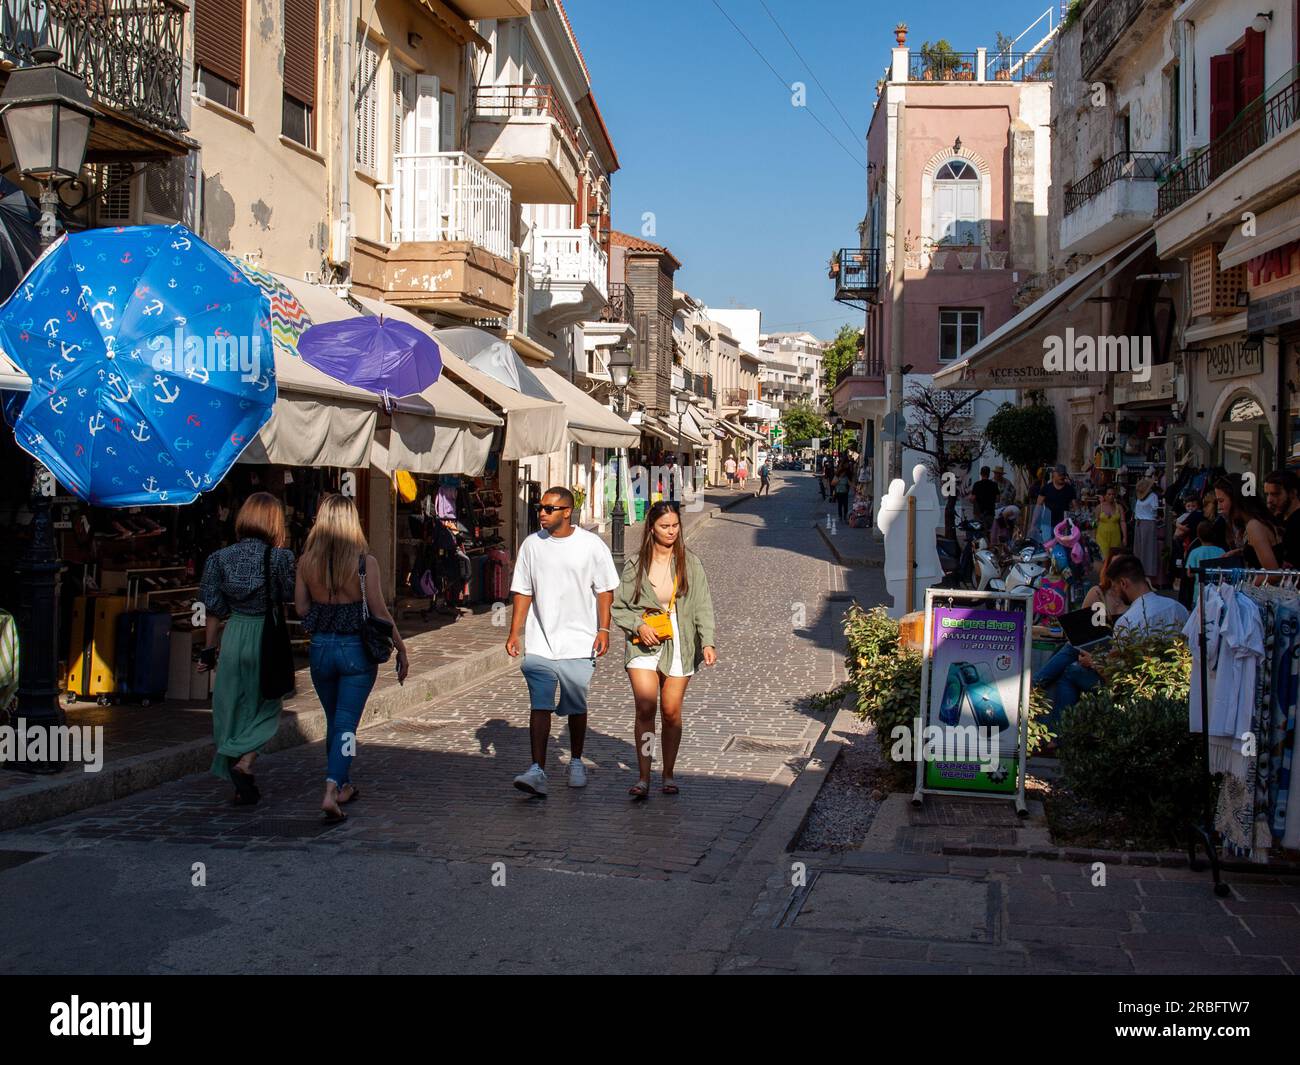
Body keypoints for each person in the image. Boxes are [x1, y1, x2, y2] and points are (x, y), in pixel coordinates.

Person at [295, 494, 409, 823]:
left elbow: (301, 608)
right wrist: (400, 646)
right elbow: (379, 611)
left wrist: (324, 607)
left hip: (320, 650)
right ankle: (332, 789)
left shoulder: (306, 561)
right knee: (347, 725)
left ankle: (343, 783)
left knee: (335, 720)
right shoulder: (364, 562)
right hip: (355, 651)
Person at [506, 487, 620, 797]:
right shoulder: (531, 545)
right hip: (541, 641)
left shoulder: (591, 546)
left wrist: (603, 630)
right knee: (539, 704)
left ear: (567, 512)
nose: (541, 513)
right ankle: (537, 769)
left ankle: (577, 760)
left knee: (575, 704)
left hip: (579, 640)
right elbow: (523, 591)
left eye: (548, 508)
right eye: (539, 507)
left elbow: (605, 590)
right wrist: (515, 632)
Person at [612, 501, 718, 798]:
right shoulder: (637, 563)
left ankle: (668, 773)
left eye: (675, 526)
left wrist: (707, 641)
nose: (671, 531)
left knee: (671, 712)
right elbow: (620, 606)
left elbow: (702, 605)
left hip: (680, 641)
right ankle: (644, 777)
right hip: (644, 642)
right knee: (646, 707)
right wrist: (638, 626)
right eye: (664, 526)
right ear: (652, 528)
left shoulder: (689, 562)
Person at [198, 492, 296, 805]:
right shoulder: (281, 558)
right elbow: (290, 594)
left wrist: (208, 650)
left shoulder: (218, 558)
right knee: (268, 705)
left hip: (233, 632)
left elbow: (213, 610)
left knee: (230, 705)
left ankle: (237, 770)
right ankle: (243, 760)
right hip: (266, 634)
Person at [1036, 554, 1189, 716]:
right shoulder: (1178, 608)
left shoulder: (1128, 620)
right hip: (1172, 685)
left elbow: (1115, 676)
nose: (1115, 592)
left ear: (1124, 583)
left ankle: (1055, 731)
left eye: (1115, 587)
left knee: (1069, 671)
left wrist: (1093, 662)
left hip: (1134, 689)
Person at [1215, 473, 1281, 570]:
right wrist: (1243, 552)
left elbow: (1273, 574)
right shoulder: (1257, 521)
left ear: (1236, 499)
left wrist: (1243, 583)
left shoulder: (1254, 525)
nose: (1219, 507)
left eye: (1221, 501)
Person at [1184, 520, 1227, 604]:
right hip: (1218, 593)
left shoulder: (1194, 552)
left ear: (1198, 536)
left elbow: (1190, 574)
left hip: (1200, 593)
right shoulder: (1221, 551)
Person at [1265, 469, 1300, 568]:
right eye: (1267, 494)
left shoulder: (1297, 521)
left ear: (1292, 493)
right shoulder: (1278, 518)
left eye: (1276, 494)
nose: (1269, 500)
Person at [1130, 477, 1162, 581]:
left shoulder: (1151, 496)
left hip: (1146, 523)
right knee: (1141, 549)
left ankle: (1147, 574)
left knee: (1146, 549)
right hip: (1141, 522)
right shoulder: (1148, 497)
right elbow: (1155, 510)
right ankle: (1141, 572)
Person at [1037, 464, 1077, 529]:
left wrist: (1078, 520)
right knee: (1047, 539)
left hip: (1063, 526)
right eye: (1060, 475)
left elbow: (1076, 507)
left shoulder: (1070, 489)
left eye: (1063, 475)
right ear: (1054, 474)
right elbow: (1038, 507)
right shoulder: (1046, 488)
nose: (1062, 477)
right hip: (1047, 525)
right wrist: (1033, 524)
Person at [1093, 485, 1126, 560]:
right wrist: (1094, 537)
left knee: (1115, 558)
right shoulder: (1099, 507)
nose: (1111, 496)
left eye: (1113, 494)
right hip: (1101, 537)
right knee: (1103, 558)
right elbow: (1094, 523)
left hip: (1115, 536)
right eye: (1109, 494)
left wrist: (1124, 537)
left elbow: (1123, 522)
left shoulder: (1119, 507)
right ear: (1105, 496)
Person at [969, 465, 999, 532]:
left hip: (978, 513)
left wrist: (970, 499)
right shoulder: (994, 485)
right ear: (988, 474)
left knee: (978, 531)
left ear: (981, 473)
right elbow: (997, 499)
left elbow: (973, 499)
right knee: (988, 531)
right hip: (990, 512)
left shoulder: (977, 484)